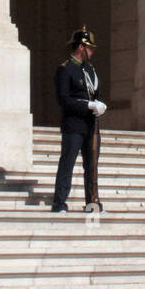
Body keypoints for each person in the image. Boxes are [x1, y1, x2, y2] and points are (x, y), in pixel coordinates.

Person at [51, 27, 107, 213]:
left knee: (91, 167)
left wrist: (99, 105)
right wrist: (88, 106)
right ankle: (59, 202)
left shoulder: (90, 69)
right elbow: (64, 100)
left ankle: (92, 201)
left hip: (91, 125)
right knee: (67, 163)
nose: (92, 51)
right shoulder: (65, 69)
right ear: (82, 47)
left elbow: (95, 93)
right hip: (74, 125)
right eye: (90, 48)